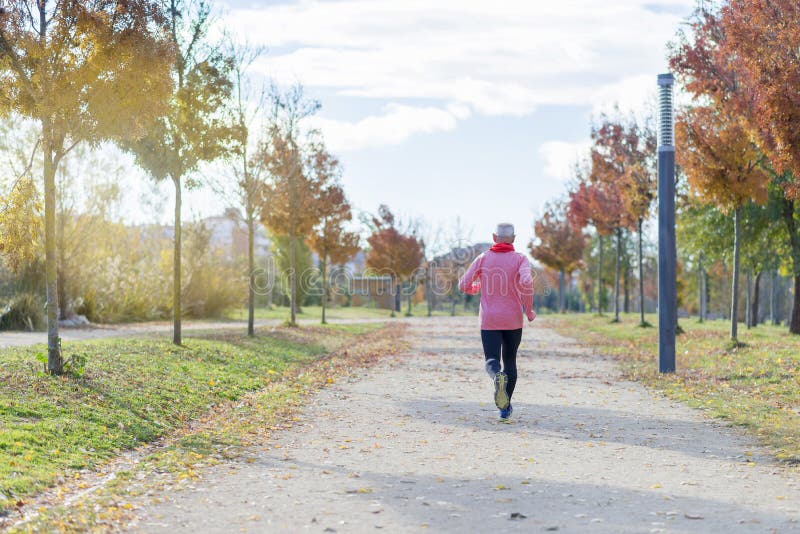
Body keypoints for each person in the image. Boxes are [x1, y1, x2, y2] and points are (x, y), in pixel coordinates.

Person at [458, 223, 535, 420]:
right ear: (514, 238)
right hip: (513, 319)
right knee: (510, 361)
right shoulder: (521, 259)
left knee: (492, 360)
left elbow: (463, 284)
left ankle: (496, 379)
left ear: (494, 237)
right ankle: (504, 407)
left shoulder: (483, 259)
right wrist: (529, 310)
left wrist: (475, 288)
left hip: (489, 319)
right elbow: (527, 283)